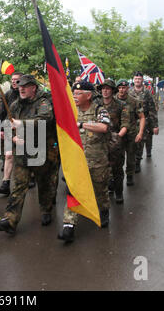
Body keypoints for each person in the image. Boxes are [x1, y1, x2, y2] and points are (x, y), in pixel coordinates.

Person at [0, 75, 59, 234]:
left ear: (33, 88)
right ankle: (10, 219)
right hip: (22, 152)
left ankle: (45, 210)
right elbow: (9, 124)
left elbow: (44, 119)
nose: (21, 88)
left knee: (44, 184)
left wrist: (21, 124)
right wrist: (8, 134)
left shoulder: (43, 102)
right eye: (19, 85)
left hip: (42, 151)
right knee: (19, 185)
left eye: (25, 86)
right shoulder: (15, 105)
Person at [59, 81, 111, 243]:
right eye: (74, 94)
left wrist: (81, 124)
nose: (75, 96)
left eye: (78, 94)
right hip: (77, 161)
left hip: (97, 160)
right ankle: (69, 225)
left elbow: (104, 127)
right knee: (73, 190)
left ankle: (103, 211)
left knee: (100, 190)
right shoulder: (71, 111)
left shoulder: (99, 109)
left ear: (88, 95)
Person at [97, 79, 129, 204]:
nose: (105, 91)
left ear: (112, 91)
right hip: (99, 142)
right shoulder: (96, 104)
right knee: (101, 170)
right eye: (103, 89)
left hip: (115, 142)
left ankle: (119, 192)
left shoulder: (121, 105)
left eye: (108, 89)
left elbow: (125, 124)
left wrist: (117, 137)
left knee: (117, 170)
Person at [0, 72, 23, 196]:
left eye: (17, 80)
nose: (14, 82)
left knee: (25, 156)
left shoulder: (26, 94)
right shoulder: (7, 94)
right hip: (8, 128)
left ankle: (31, 176)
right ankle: (5, 183)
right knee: (8, 156)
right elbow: (1, 112)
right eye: (12, 79)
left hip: (24, 129)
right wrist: (0, 128)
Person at [116, 80, 145, 187]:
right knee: (117, 158)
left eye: (124, 88)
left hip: (131, 134)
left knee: (131, 157)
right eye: (119, 88)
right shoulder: (113, 100)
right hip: (118, 135)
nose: (121, 90)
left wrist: (140, 133)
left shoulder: (134, 101)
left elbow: (142, 117)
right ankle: (116, 180)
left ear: (128, 88)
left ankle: (129, 175)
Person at [129, 72, 159, 172]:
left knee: (140, 142)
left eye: (139, 79)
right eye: (136, 79)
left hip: (144, 121)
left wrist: (155, 125)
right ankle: (133, 161)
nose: (137, 80)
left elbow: (152, 109)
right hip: (132, 121)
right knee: (132, 143)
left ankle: (138, 162)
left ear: (142, 80)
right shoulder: (129, 92)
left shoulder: (147, 93)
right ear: (133, 80)